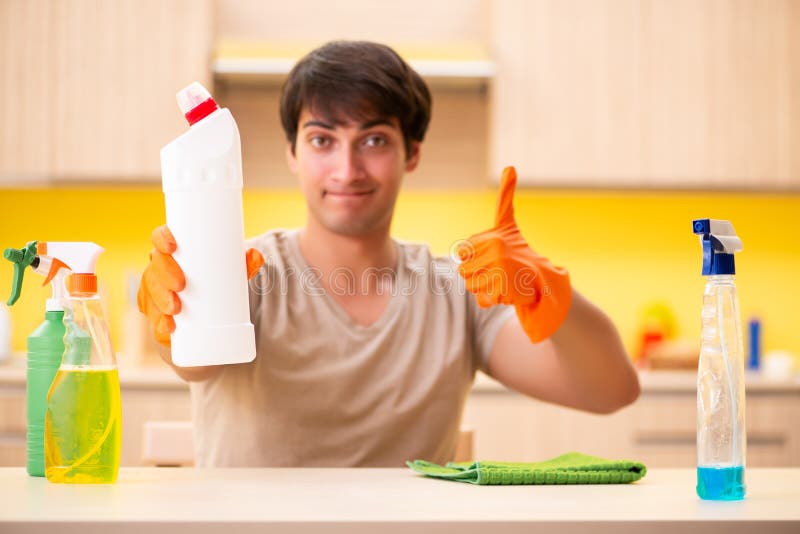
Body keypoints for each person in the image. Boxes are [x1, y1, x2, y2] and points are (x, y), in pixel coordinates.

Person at [138, 40, 640, 467]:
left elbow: (611, 391)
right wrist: (180, 310)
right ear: (293, 153)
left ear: (412, 152)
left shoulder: (456, 292)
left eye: (374, 140)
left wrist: (551, 293)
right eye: (322, 140)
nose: (347, 169)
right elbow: (192, 362)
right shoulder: (243, 270)